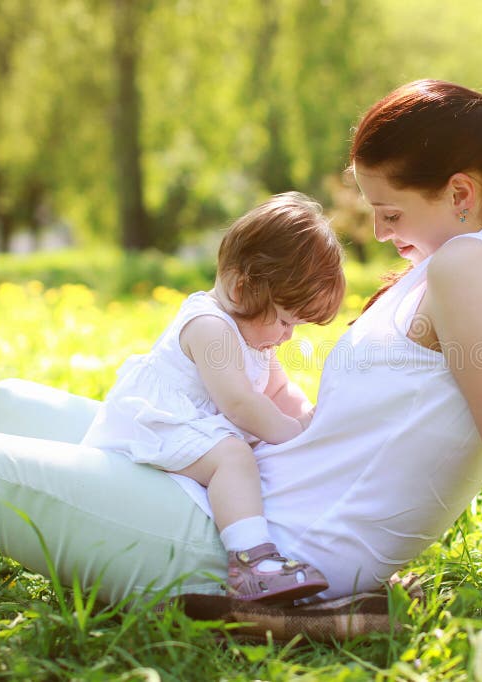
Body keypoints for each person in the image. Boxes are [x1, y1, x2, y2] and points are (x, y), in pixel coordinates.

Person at [0, 79, 482, 625]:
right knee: (7, 403)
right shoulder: (470, 261)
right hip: (245, 493)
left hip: (257, 547)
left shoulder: (469, 269)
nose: (378, 231)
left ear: (460, 194)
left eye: (391, 213)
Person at [82, 192, 345, 602]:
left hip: (188, 432)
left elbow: (277, 391)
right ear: (242, 290)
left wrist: (310, 423)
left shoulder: (257, 338)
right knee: (234, 455)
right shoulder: (209, 326)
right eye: (282, 320)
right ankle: (251, 561)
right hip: (153, 429)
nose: (287, 335)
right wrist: (292, 433)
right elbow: (239, 404)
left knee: (246, 448)